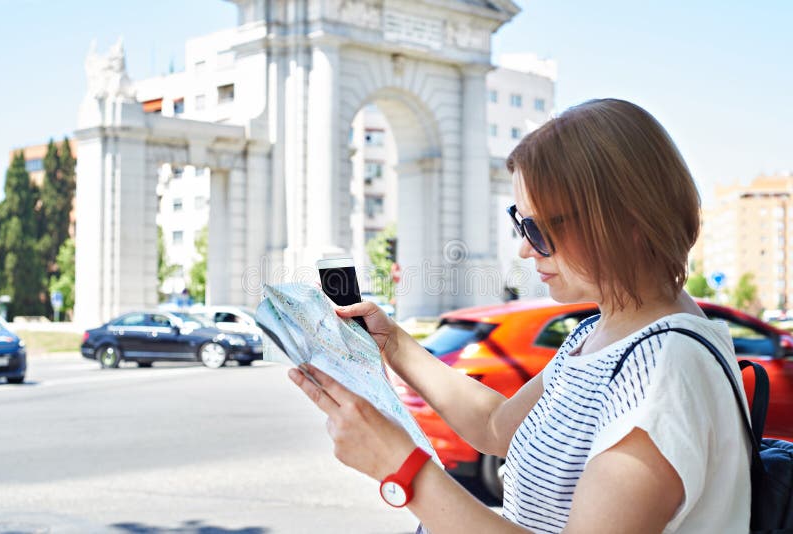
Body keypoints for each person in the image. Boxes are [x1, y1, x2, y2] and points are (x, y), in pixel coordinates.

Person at [289, 98, 751, 533]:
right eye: (519, 222)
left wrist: (402, 467)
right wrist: (393, 344)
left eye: (538, 228)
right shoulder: (600, 332)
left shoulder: (666, 369)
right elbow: (496, 427)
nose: (525, 248)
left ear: (626, 221)